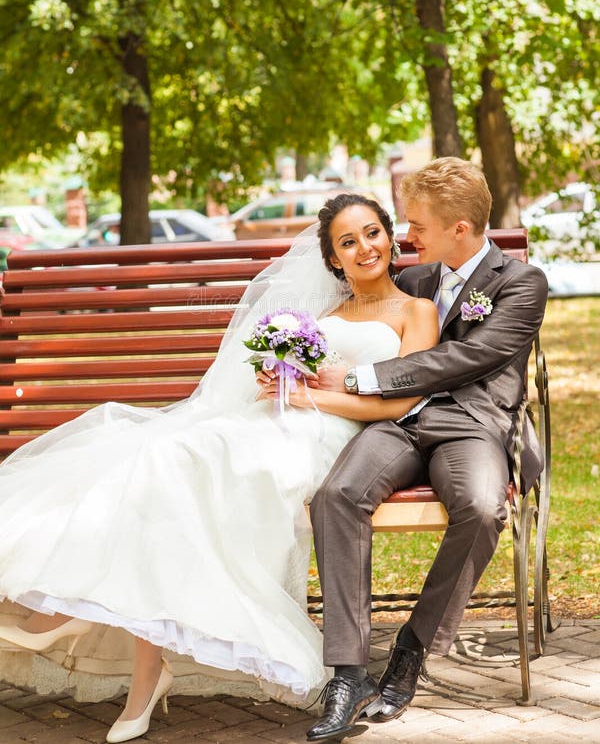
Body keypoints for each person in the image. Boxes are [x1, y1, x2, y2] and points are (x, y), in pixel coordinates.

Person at [0, 195, 438, 744]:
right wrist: (276, 380)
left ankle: (84, 624)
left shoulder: (415, 313)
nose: (364, 248)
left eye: (371, 234)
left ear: (390, 238)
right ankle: (142, 666)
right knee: (162, 463)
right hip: (267, 424)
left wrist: (311, 401)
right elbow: (281, 387)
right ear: (333, 260)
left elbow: (398, 405)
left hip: (323, 439)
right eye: (347, 242)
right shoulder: (320, 318)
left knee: (172, 464)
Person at [306, 157, 549, 743]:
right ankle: (347, 672)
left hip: (471, 425)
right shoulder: (415, 281)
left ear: (458, 228)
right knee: (337, 495)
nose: (406, 236)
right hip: (397, 425)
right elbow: (356, 307)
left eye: (417, 225)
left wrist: (360, 378)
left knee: (483, 505)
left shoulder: (521, 284)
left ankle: (411, 649)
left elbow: (462, 359)